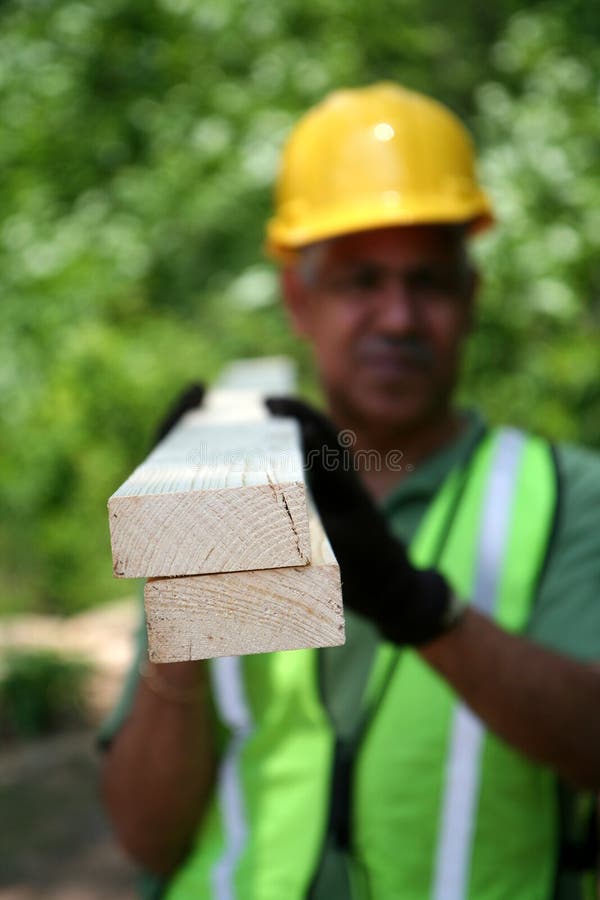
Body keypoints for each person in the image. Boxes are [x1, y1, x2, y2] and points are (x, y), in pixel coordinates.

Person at [100, 83, 600, 899]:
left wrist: (420, 609)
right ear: (301, 299)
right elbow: (146, 834)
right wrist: (180, 604)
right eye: (361, 280)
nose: (398, 317)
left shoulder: (568, 496)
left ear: (471, 300)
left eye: (430, 282)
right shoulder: (234, 478)